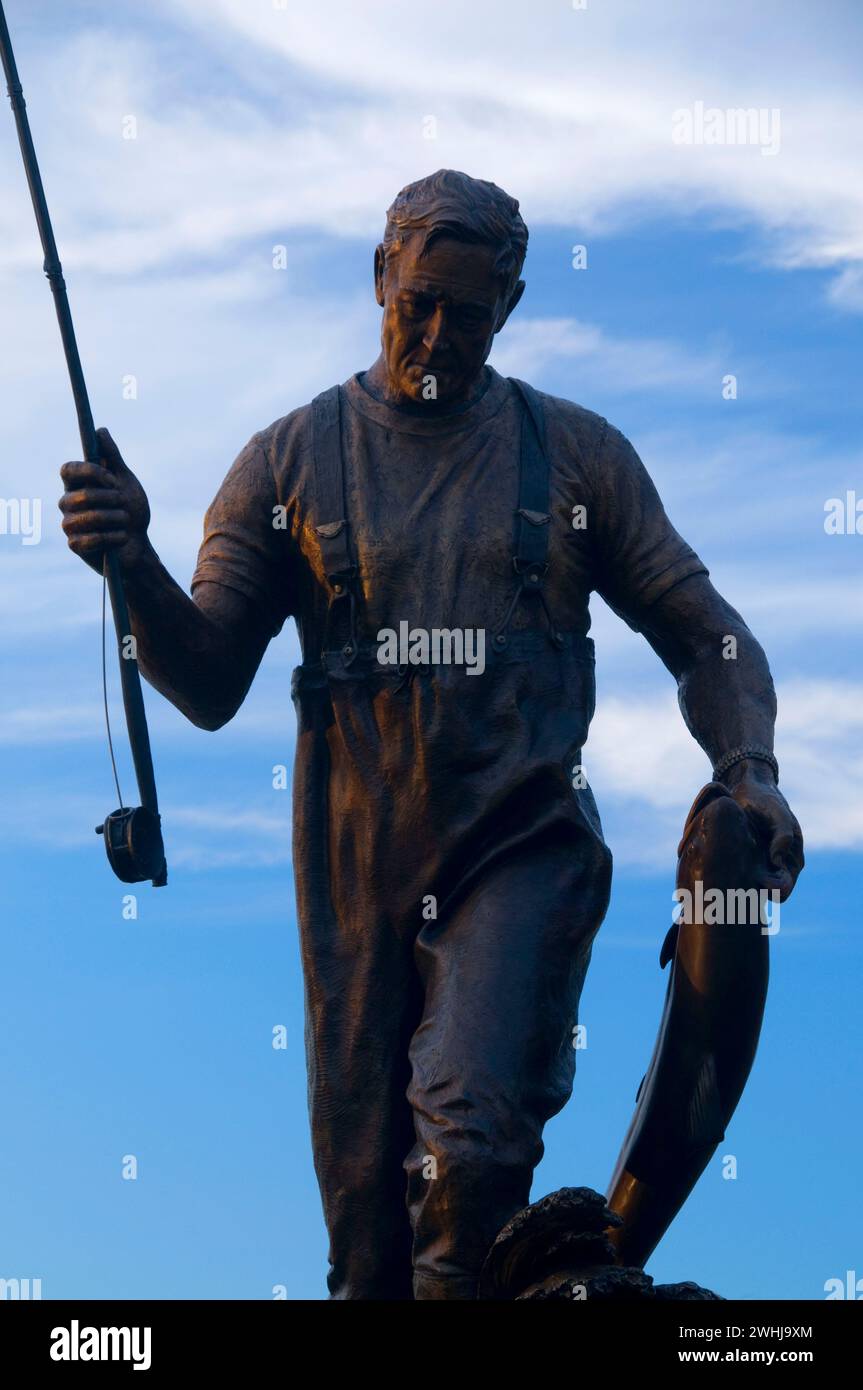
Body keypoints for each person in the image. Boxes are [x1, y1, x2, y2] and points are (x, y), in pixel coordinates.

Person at [59, 169, 804, 1300]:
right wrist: (134, 567)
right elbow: (207, 679)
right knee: (371, 1259)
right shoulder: (287, 462)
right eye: (420, 303)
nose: (439, 334)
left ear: (507, 305)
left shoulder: (575, 459)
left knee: (463, 1157)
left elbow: (712, 640)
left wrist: (747, 771)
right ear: (378, 279)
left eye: (468, 310)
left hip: (518, 853)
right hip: (354, 885)